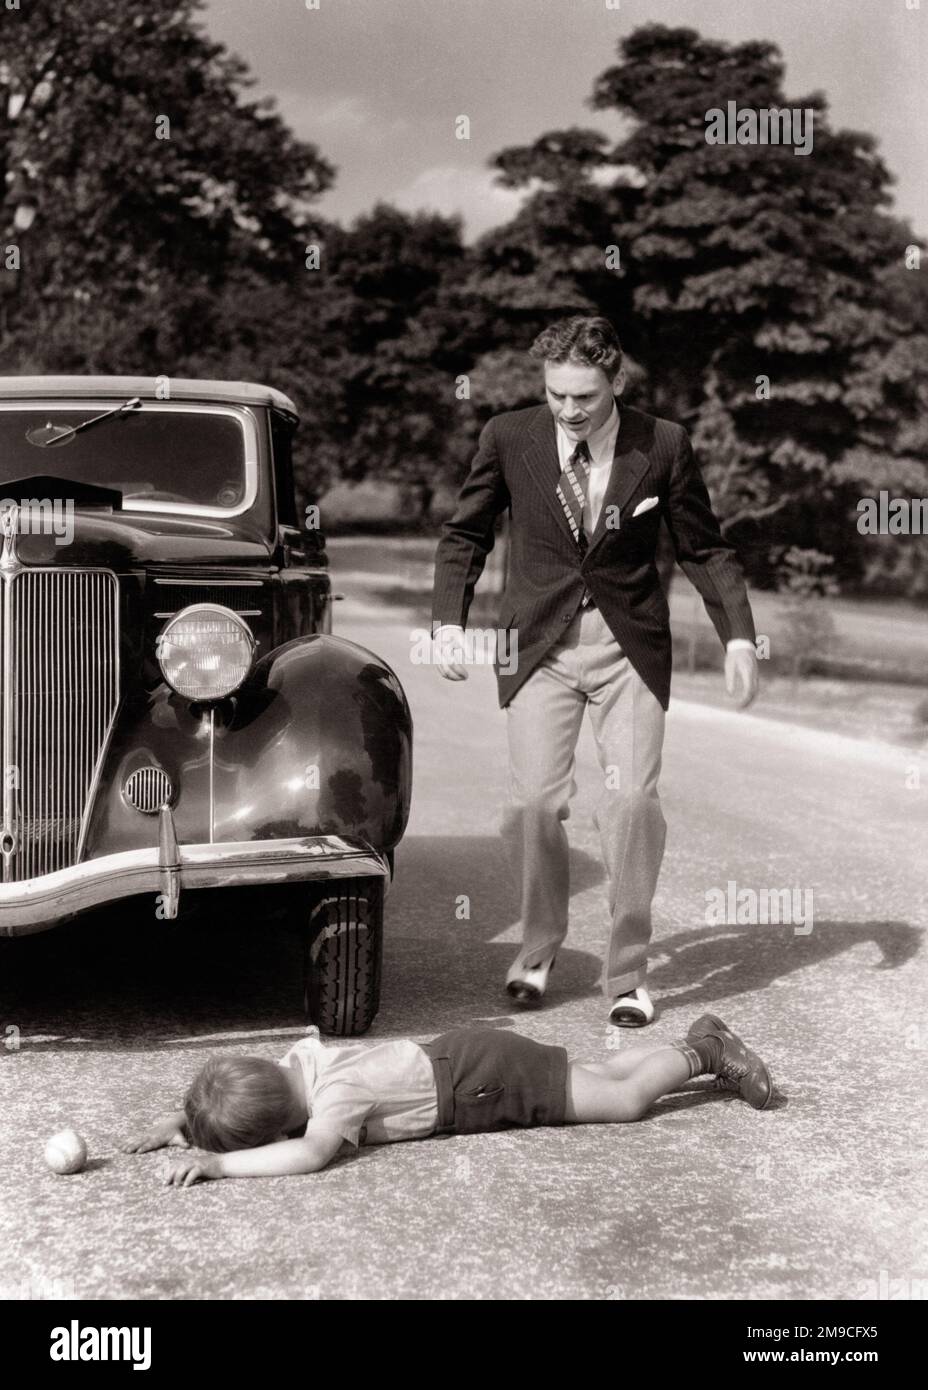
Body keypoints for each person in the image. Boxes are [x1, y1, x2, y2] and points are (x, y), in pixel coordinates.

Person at [431, 316, 758, 1026]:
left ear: (616, 382)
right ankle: (539, 948)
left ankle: (628, 974)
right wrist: (449, 623)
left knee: (633, 804)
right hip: (537, 649)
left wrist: (738, 639)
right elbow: (465, 532)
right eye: (556, 395)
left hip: (626, 650)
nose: (569, 410)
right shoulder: (508, 436)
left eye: (584, 396)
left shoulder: (663, 443)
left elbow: (705, 548)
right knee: (533, 807)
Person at [123, 1015, 774, 1185]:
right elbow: (258, 1101)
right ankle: (688, 1047)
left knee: (625, 1102)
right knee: (597, 1073)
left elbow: (312, 1154)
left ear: (279, 1128)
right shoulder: (300, 1059)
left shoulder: (334, 1098)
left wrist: (219, 1163)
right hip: (469, 1058)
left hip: (478, 1084)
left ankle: (706, 1052)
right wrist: (186, 1122)